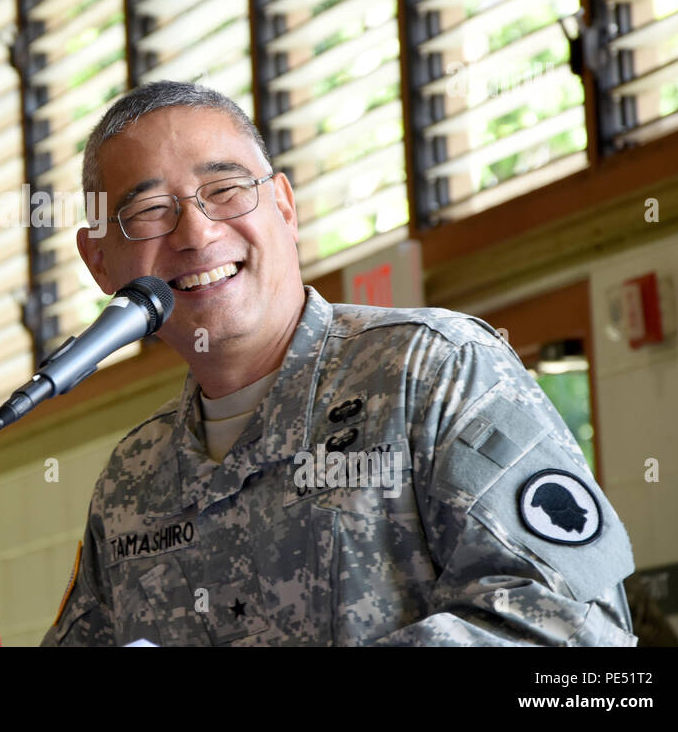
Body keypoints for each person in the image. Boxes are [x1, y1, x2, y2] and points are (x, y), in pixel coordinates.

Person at [40, 80, 637, 646]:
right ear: (99, 262)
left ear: (284, 206)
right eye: (149, 210)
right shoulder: (132, 480)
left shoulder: (433, 371)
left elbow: (574, 626)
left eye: (225, 191)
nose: (196, 232)